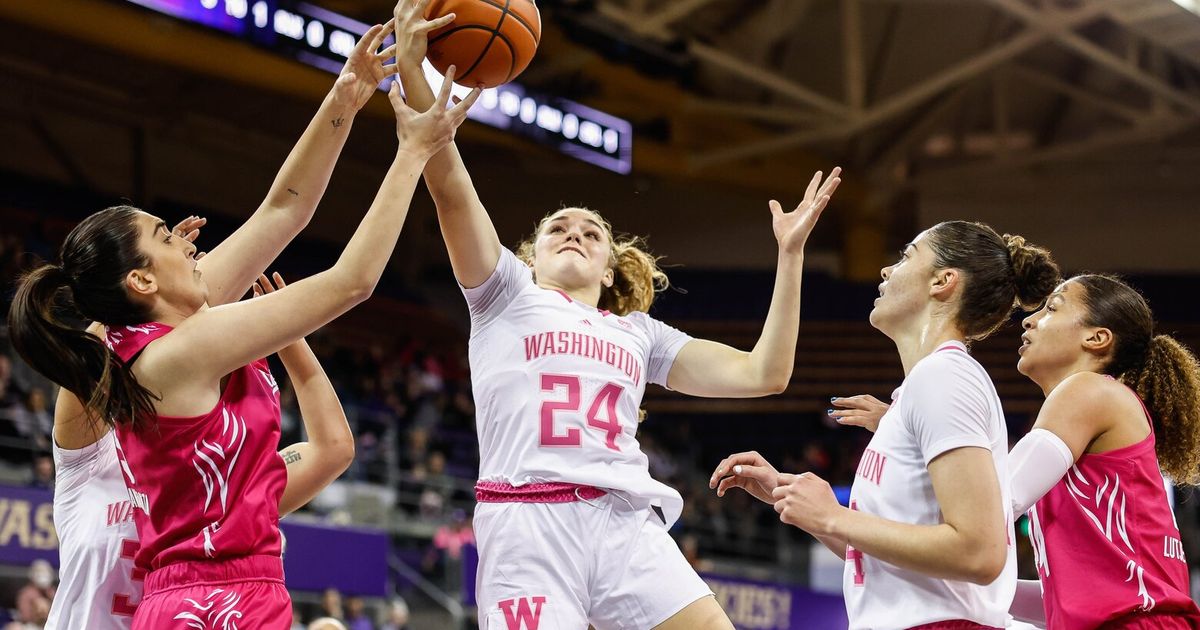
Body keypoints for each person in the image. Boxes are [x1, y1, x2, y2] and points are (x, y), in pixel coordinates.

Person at [391, 3, 840, 628]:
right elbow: (446, 181)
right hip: (529, 525)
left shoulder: (640, 332)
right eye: (557, 229)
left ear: (609, 270)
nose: (573, 233)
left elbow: (765, 374)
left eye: (591, 232)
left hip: (627, 524)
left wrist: (789, 258)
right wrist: (413, 71)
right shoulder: (504, 294)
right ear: (531, 254)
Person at [9, 43, 477, 629]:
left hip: (219, 592)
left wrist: (345, 98)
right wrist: (412, 152)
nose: (191, 242)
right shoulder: (146, 365)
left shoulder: (184, 351)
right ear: (137, 279)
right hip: (200, 601)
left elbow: (283, 210)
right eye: (167, 235)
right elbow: (349, 281)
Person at [712, 221, 1060, 629]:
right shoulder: (922, 387)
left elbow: (978, 553)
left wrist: (834, 517)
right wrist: (796, 503)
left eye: (906, 256)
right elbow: (895, 561)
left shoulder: (945, 377)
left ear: (943, 281)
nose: (886, 271)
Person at [833, 274, 1200, 628]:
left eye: (1052, 309)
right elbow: (1065, 599)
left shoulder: (1088, 392)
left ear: (1097, 338)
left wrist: (914, 434)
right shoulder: (1085, 418)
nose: (1030, 320)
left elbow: (993, 505)